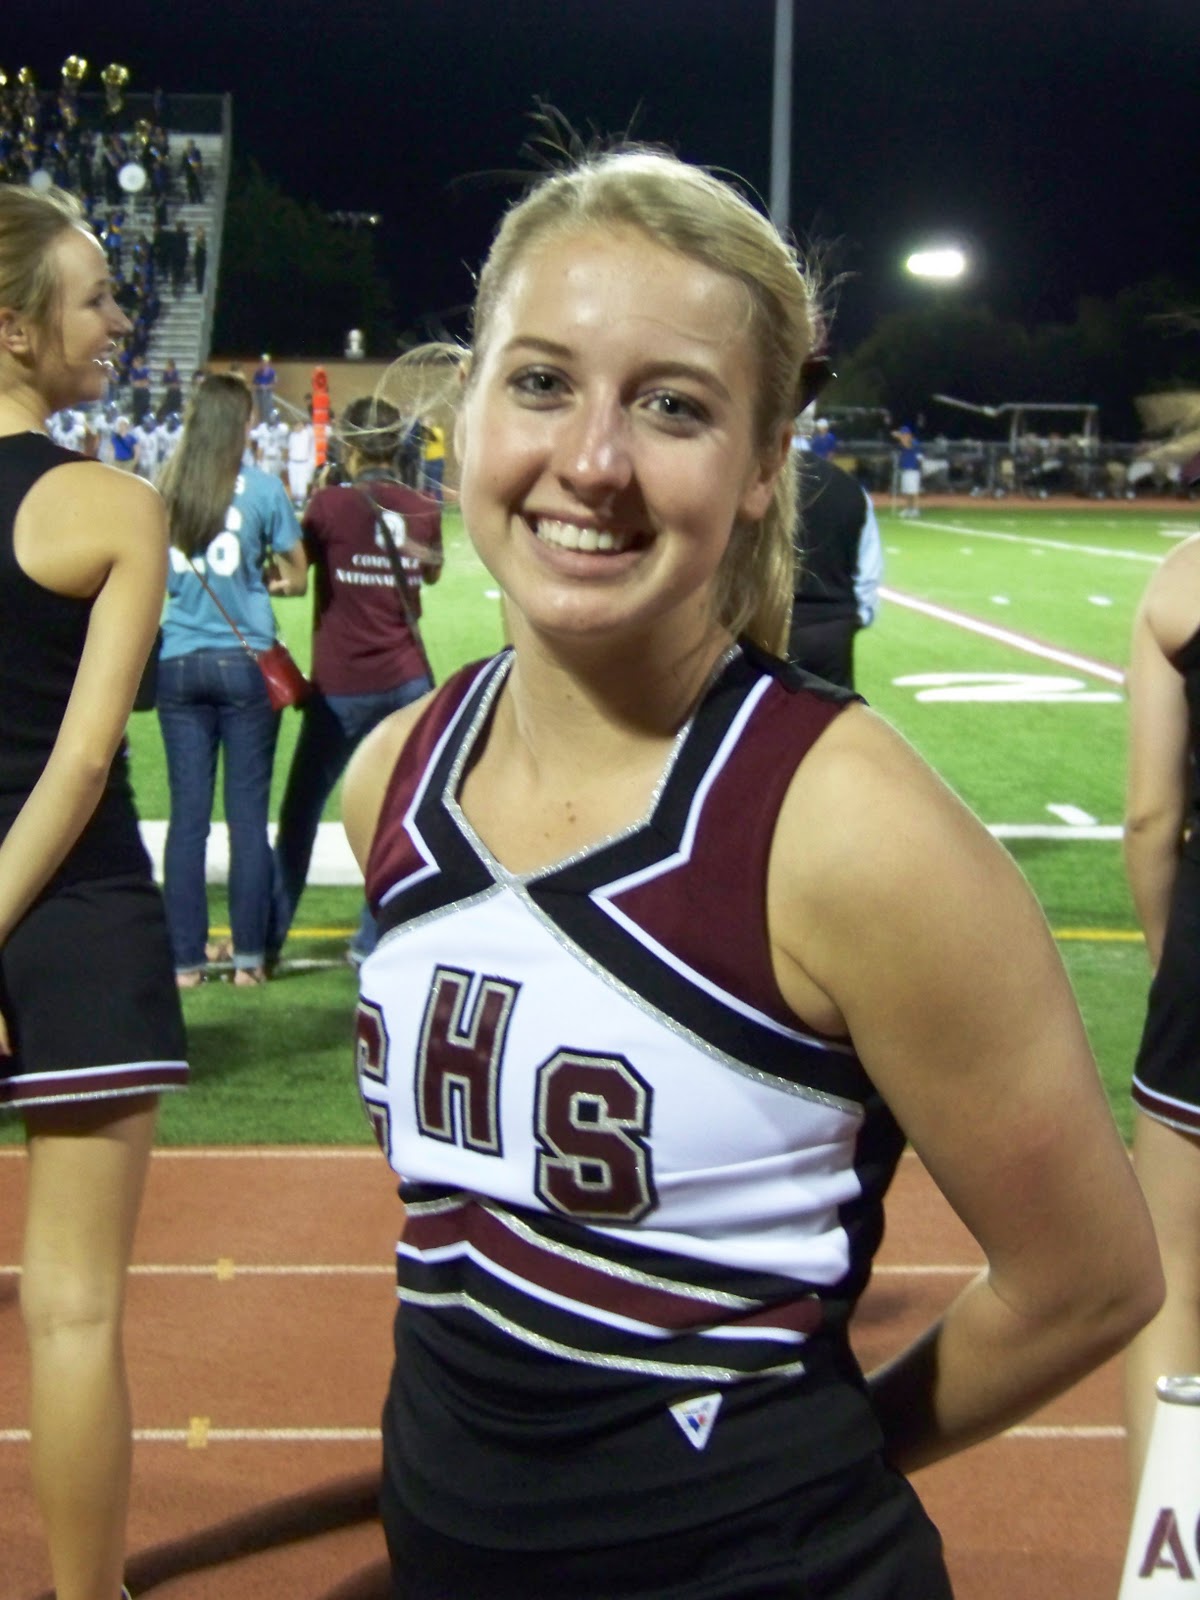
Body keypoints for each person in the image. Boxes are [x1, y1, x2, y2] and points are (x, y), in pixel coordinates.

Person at [341, 146, 1162, 1599]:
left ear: (769, 461)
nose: (591, 461)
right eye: (540, 382)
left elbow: (1091, 1280)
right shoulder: (394, 776)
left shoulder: (847, 832)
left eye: (672, 407)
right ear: (464, 409)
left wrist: (808, 1465)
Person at [0, 182, 187, 1600]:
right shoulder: (115, 506)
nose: (121, 319)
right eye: (96, 297)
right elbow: (73, 774)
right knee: (70, 1315)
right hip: (74, 915)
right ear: (16, 328)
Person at [269, 395, 442, 969]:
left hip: (342, 685)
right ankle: (372, 939)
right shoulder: (421, 505)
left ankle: (263, 938)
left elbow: (296, 564)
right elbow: (432, 571)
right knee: (396, 817)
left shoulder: (329, 504)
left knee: (299, 815)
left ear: (348, 446)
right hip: (405, 681)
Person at [156, 374, 308, 987]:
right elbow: (297, 576)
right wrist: (268, 582)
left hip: (179, 659)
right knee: (247, 816)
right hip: (245, 660)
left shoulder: (165, 488)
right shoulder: (265, 489)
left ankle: (185, 963)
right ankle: (249, 961)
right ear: (240, 423)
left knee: (187, 819)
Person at [1122, 514, 1200, 1497]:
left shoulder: (1183, 582)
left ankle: (1168, 1563)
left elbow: (1150, 819)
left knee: (1175, 1280)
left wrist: (1166, 962)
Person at [789, 451, 883, 690]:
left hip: (766, 629)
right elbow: (869, 572)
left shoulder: (753, 480)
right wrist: (855, 618)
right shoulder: (849, 487)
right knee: (833, 722)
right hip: (833, 629)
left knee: (761, 722)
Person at [893, 423, 923, 516]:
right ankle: (908, 508)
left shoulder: (914, 443)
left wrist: (899, 437)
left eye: (905, 434)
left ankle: (915, 509)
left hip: (913, 470)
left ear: (909, 435)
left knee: (913, 491)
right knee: (907, 491)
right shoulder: (902, 443)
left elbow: (907, 445)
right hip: (905, 470)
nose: (903, 436)